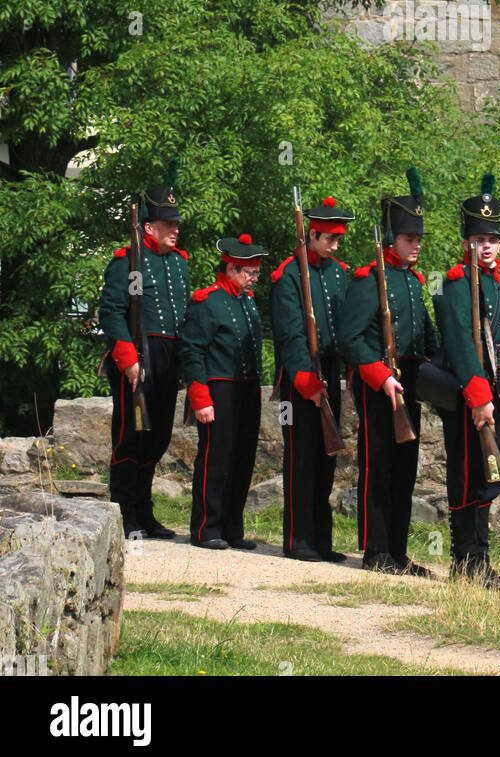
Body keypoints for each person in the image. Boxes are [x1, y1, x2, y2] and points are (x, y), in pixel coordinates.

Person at [340, 167, 437, 576]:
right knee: (378, 465)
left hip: (409, 383)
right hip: (379, 384)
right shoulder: (369, 280)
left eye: (418, 239)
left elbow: (426, 337)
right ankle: (375, 549)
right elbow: (351, 337)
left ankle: (397, 550)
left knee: (404, 468)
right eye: (408, 239)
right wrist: (380, 375)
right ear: (391, 238)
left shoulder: (414, 282)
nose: (415, 246)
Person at [435, 172, 500, 589]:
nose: (486, 246)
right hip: (471, 398)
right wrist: (479, 398)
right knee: (468, 476)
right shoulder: (455, 285)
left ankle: (479, 561)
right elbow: (461, 348)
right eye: (479, 239)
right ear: (467, 241)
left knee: (489, 476)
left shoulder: (495, 284)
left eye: (492, 239)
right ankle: (465, 561)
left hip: (493, 396)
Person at [98, 166, 190, 539]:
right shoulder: (127, 262)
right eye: (168, 225)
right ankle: (124, 510)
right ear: (149, 227)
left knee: (158, 437)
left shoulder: (179, 264)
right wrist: (128, 358)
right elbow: (112, 312)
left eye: (176, 224)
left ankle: (144, 509)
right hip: (139, 357)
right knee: (131, 435)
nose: (175, 230)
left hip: (168, 358)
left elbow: (183, 313)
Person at [269, 196, 353, 562]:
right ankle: (298, 539)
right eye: (330, 239)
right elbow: (289, 333)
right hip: (298, 377)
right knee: (300, 456)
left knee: (326, 457)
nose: (335, 246)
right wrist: (307, 381)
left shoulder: (337, 272)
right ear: (312, 233)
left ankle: (321, 538)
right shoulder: (288, 273)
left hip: (329, 370)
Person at [181, 232, 268, 551]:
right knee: (216, 458)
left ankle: (232, 527)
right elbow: (193, 352)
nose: (254, 278)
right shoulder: (208, 301)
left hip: (246, 389)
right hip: (218, 389)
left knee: (243, 458)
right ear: (231, 269)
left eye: (256, 272)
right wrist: (200, 398)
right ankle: (207, 527)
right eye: (250, 272)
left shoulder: (247, 303)